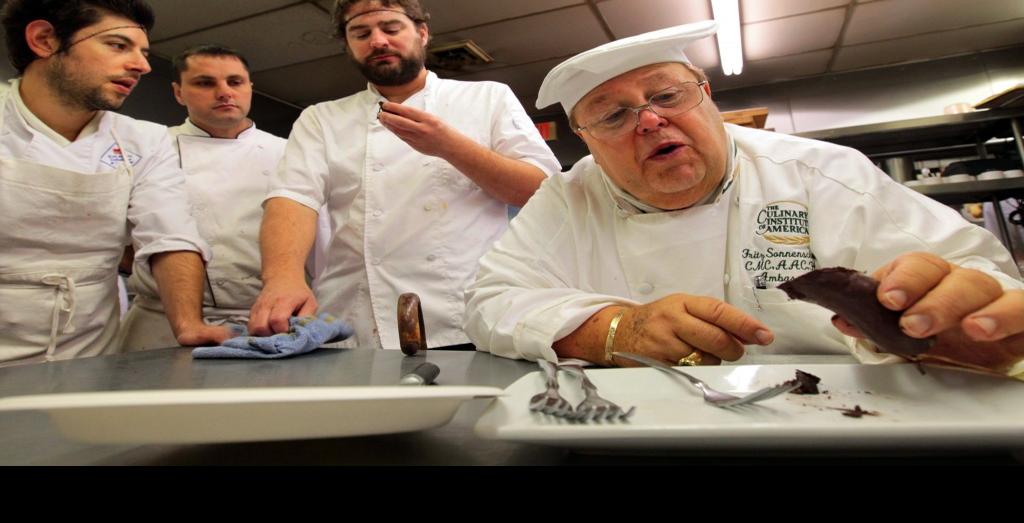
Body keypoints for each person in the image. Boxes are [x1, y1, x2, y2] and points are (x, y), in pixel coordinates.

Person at [463, 21, 1024, 377]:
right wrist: (613, 330)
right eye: (613, 115)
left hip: (842, 425)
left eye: (666, 94)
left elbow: (981, 279)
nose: (651, 120)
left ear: (707, 97)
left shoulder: (818, 173)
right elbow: (490, 300)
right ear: (584, 140)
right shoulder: (567, 198)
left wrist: (962, 328)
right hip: (640, 425)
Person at [247, 0, 561, 349]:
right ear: (348, 46)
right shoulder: (321, 118)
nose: (377, 41)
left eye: (390, 28)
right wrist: (283, 278)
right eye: (361, 33)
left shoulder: (487, 98)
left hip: (463, 313)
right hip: (355, 317)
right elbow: (292, 197)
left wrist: (448, 146)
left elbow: (542, 191)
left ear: (422, 33)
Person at [0, 0, 230, 365]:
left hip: (89, 353)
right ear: (44, 40)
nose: (142, 65)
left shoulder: (144, 140)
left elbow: (170, 234)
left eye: (142, 51)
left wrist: (188, 323)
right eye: (118, 45)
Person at [116, 44, 290, 351]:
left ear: (250, 88)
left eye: (234, 82)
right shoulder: (152, 149)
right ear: (178, 93)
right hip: (162, 325)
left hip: (268, 321)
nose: (224, 93)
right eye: (205, 83)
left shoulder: (289, 152)